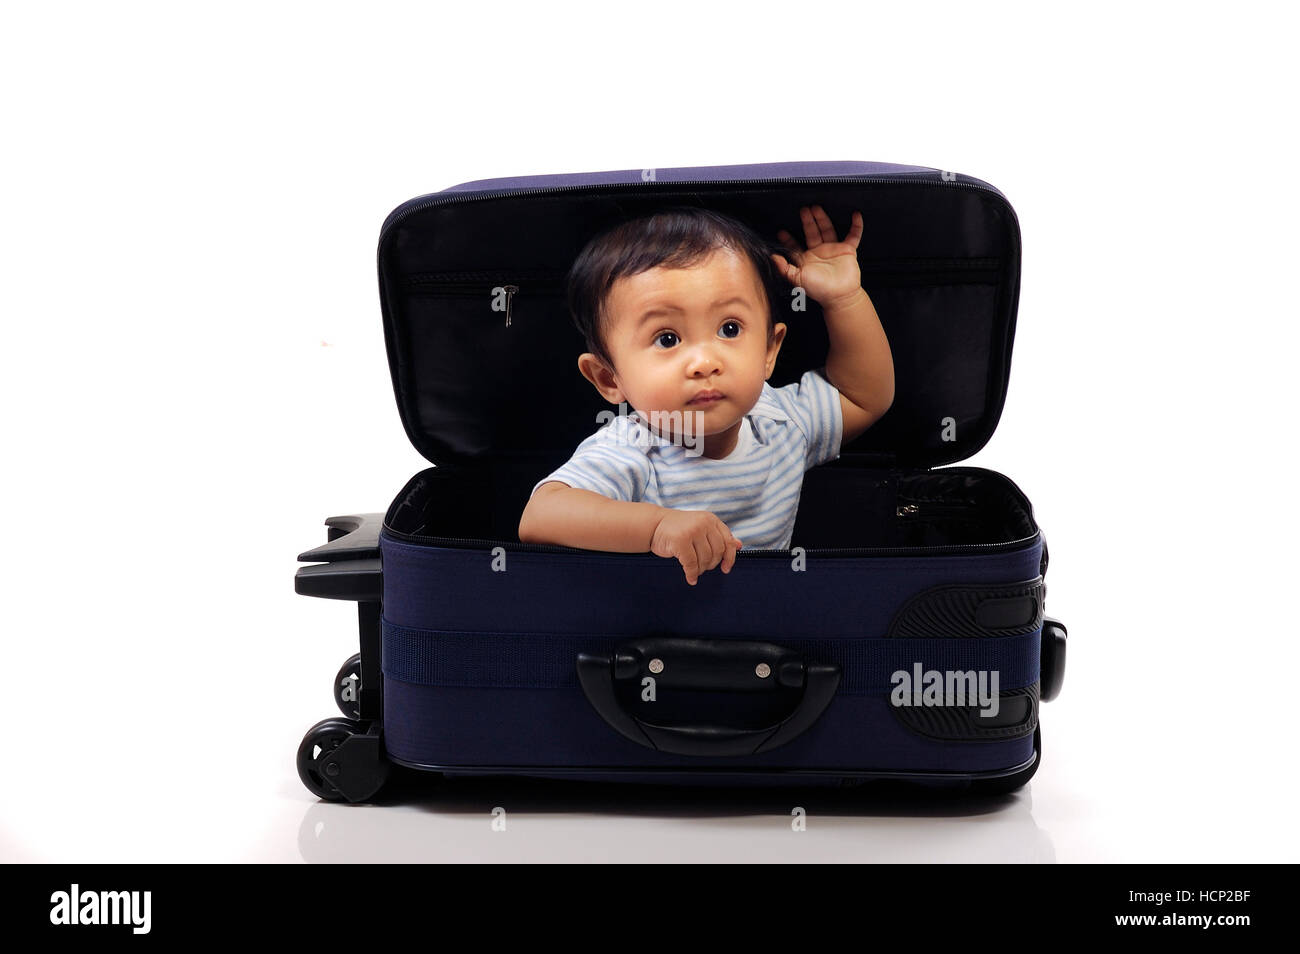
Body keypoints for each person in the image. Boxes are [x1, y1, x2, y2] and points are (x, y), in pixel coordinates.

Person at [517, 204, 894, 584]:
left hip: (769, 627)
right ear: (609, 378)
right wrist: (658, 527)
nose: (704, 362)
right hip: (656, 634)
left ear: (769, 351)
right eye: (668, 339)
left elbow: (864, 397)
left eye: (729, 329)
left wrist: (844, 299)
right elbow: (541, 516)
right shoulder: (631, 447)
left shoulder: (782, 421)